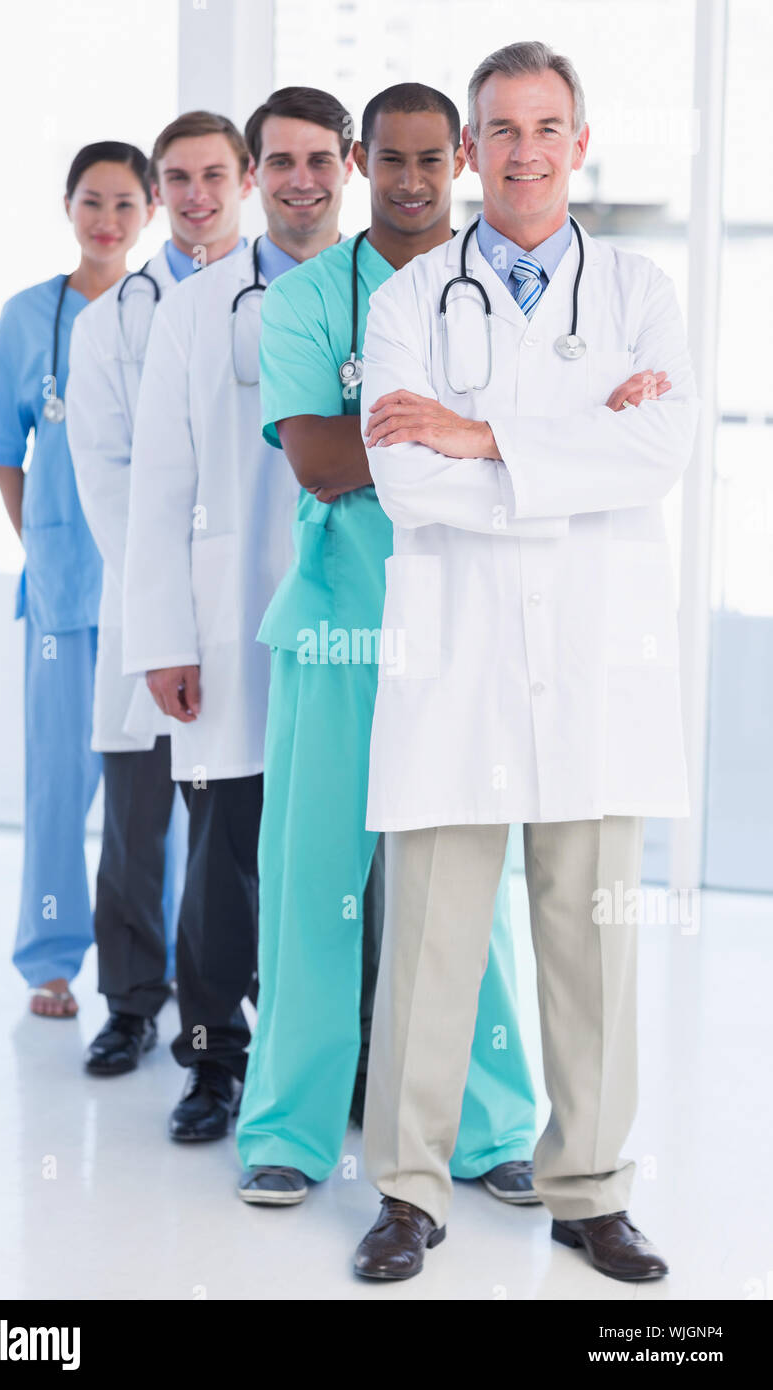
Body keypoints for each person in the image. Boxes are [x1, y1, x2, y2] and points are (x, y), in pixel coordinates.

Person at [353, 41, 699, 1282]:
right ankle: (407, 1194)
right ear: (469, 150)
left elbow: (656, 454)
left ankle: (590, 1190)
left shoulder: (640, 293)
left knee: (594, 940)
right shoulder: (406, 303)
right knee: (432, 942)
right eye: (499, 129)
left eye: (546, 127)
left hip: (599, 664)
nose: (524, 151)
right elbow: (405, 482)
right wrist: (565, 453)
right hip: (458, 665)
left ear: (580, 140)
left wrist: (483, 435)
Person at [236, 83, 538, 1210]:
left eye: (431, 157)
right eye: (391, 159)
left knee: (472, 892)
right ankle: (288, 1134)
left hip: (464, 629)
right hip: (336, 629)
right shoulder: (311, 295)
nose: (411, 180)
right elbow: (315, 459)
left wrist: (454, 435)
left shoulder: (500, 283)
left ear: (459, 156)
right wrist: (462, 439)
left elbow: (542, 441)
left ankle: (490, 1126)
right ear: (360, 159)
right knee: (314, 885)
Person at [123, 87, 354, 1142]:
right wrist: (165, 637)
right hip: (229, 627)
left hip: (357, 623)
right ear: (255, 175)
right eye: (281, 161)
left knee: (351, 861)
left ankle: (346, 1061)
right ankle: (214, 1064)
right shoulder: (193, 307)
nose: (300, 179)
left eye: (319, 158)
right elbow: (158, 486)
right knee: (221, 859)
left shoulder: (390, 294)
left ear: (345, 165)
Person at [66, 112, 253, 1077]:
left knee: (231, 835)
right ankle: (132, 1006)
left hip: (240, 614)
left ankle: (222, 1024)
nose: (196, 197)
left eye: (213, 175)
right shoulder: (109, 323)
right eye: (176, 179)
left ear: (245, 179)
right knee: (136, 828)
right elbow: (104, 473)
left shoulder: (274, 300)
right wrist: (163, 600)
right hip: (147, 607)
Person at [0, 142, 154, 1019]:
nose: (107, 221)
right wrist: (40, 536)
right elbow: (3, 446)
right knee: (58, 781)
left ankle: (167, 956)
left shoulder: (170, 308)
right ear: (67, 206)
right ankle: (50, 958)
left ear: (150, 210)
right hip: (65, 590)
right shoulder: (27, 317)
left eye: (123, 204)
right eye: (92, 202)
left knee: (165, 792)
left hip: (152, 589)